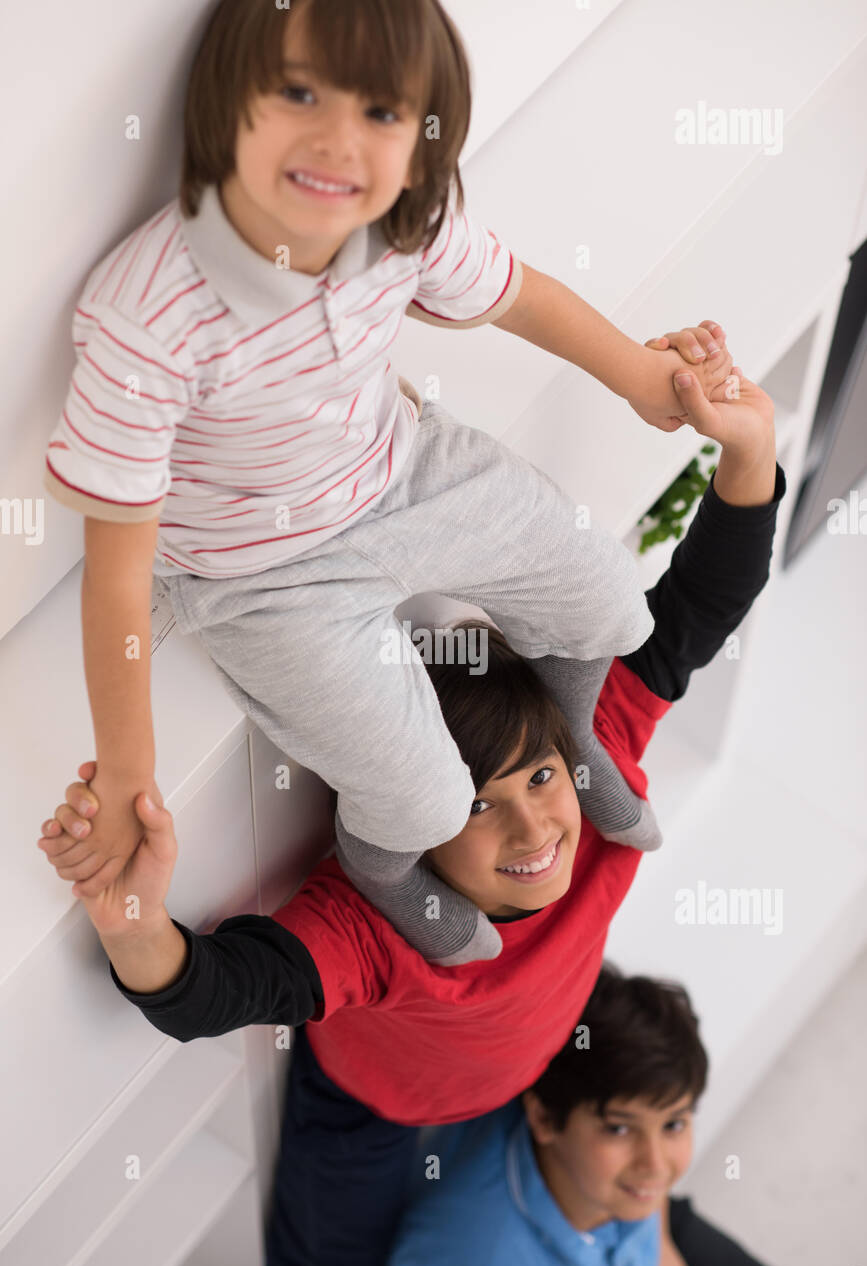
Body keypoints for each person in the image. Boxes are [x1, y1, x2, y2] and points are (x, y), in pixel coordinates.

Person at [38, 359, 784, 1266]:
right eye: (476, 804)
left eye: (540, 778)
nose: (532, 825)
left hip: (526, 1063)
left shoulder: (595, 771)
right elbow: (214, 994)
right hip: (371, 1107)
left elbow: (697, 608)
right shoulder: (373, 928)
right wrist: (132, 923)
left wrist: (748, 445)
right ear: (418, 825)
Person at [41, 0, 736, 966]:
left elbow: (515, 294)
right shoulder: (149, 318)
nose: (337, 138)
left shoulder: (405, 216)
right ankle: (385, 869)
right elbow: (113, 574)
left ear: (418, 143)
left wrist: (640, 377)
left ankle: (577, 736)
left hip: (406, 465)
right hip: (265, 576)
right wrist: (127, 774)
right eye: (296, 93)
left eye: (381, 114)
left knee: (611, 600)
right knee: (423, 798)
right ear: (221, 101)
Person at [385, 962, 809, 1266]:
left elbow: (650, 1164)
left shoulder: (627, 1172)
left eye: (674, 1124)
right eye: (620, 1130)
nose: (657, 1163)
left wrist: (661, 1252)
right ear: (545, 1120)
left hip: (627, 1233)